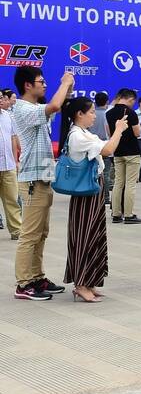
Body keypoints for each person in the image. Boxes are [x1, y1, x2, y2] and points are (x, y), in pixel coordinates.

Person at [12, 66, 75, 300]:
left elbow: (60, 102)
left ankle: (37, 278)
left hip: (43, 178)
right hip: (31, 180)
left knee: (41, 233)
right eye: (41, 81)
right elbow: (56, 105)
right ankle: (23, 284)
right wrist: (65, 82)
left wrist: (69, 84)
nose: (45, 84)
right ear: (28, 85)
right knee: (29, 234)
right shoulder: (22, 108)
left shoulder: (37, 108)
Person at [58, 97, 129, 302]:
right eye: (90, 112)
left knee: (95, 234)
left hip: (93, 189)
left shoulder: (84, 133)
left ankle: (89, 281)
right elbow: (108, 150)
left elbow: (104, 147)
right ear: (79, 114)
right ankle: (81, 283)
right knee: (84, 236)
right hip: (85, 191)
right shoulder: (77, 136)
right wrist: (118, 130)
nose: (93, 116)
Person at [104, 88, 141, 225]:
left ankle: (116, 214)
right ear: (131, 99)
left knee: (118, 183)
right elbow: (137, 133)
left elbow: (109, 133)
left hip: (118, 151)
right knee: (130, 184)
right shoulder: (132, 113)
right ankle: (128, 214)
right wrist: (140, 126)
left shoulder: (109, 113)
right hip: (132, 152)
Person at [0, 88, 20, 240]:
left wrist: (15, 160)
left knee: (12, 199)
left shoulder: (8, 116)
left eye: (2, 97)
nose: (1, 100)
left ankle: (16, 230)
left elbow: (13, 138)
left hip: (8, 166)